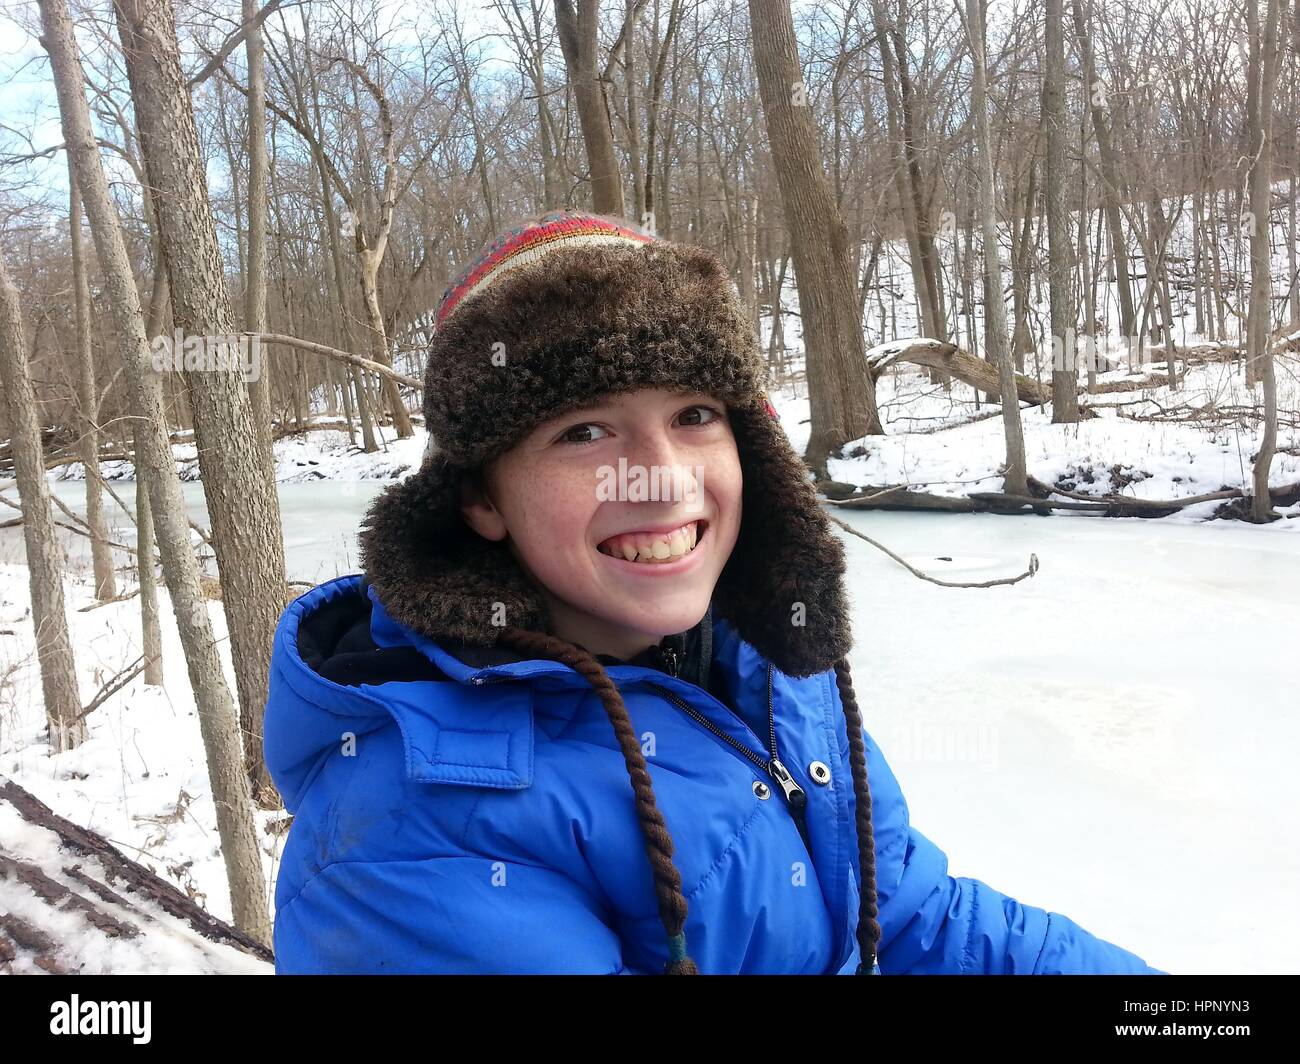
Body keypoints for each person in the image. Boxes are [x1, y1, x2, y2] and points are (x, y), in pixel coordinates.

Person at [263, 208, 1165, 974]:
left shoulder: (764, 669)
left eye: (694, 416)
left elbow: (910, 920)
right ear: (479, 498)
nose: (662, 480)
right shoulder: (409, 836)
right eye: (584, 432)